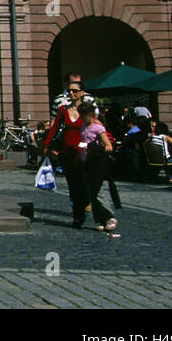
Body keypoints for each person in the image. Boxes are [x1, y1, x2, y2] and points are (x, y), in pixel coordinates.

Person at [43, 81, 88, 228]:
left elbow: (95, 127)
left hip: (83, 153)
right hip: (67, 153)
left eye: (75, 91)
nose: (71, 93)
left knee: (83, 184)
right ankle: (78, 216)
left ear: (82, 93)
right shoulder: (63, 110)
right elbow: (54, 128)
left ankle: (84, 206)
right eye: (69, 91)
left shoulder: (87, 110)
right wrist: (46, 146)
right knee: (73, 186)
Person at [78, 101, 119, 236]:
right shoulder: (83, 127)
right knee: (91, 192)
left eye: (83, 115)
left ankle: (110, 216)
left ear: (90, 114)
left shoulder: (98, 128)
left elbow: (109, 147)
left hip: (97, 163)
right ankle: (100, 220)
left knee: (99, 191)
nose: (81, 117)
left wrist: (94, 149)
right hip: (86, 162)